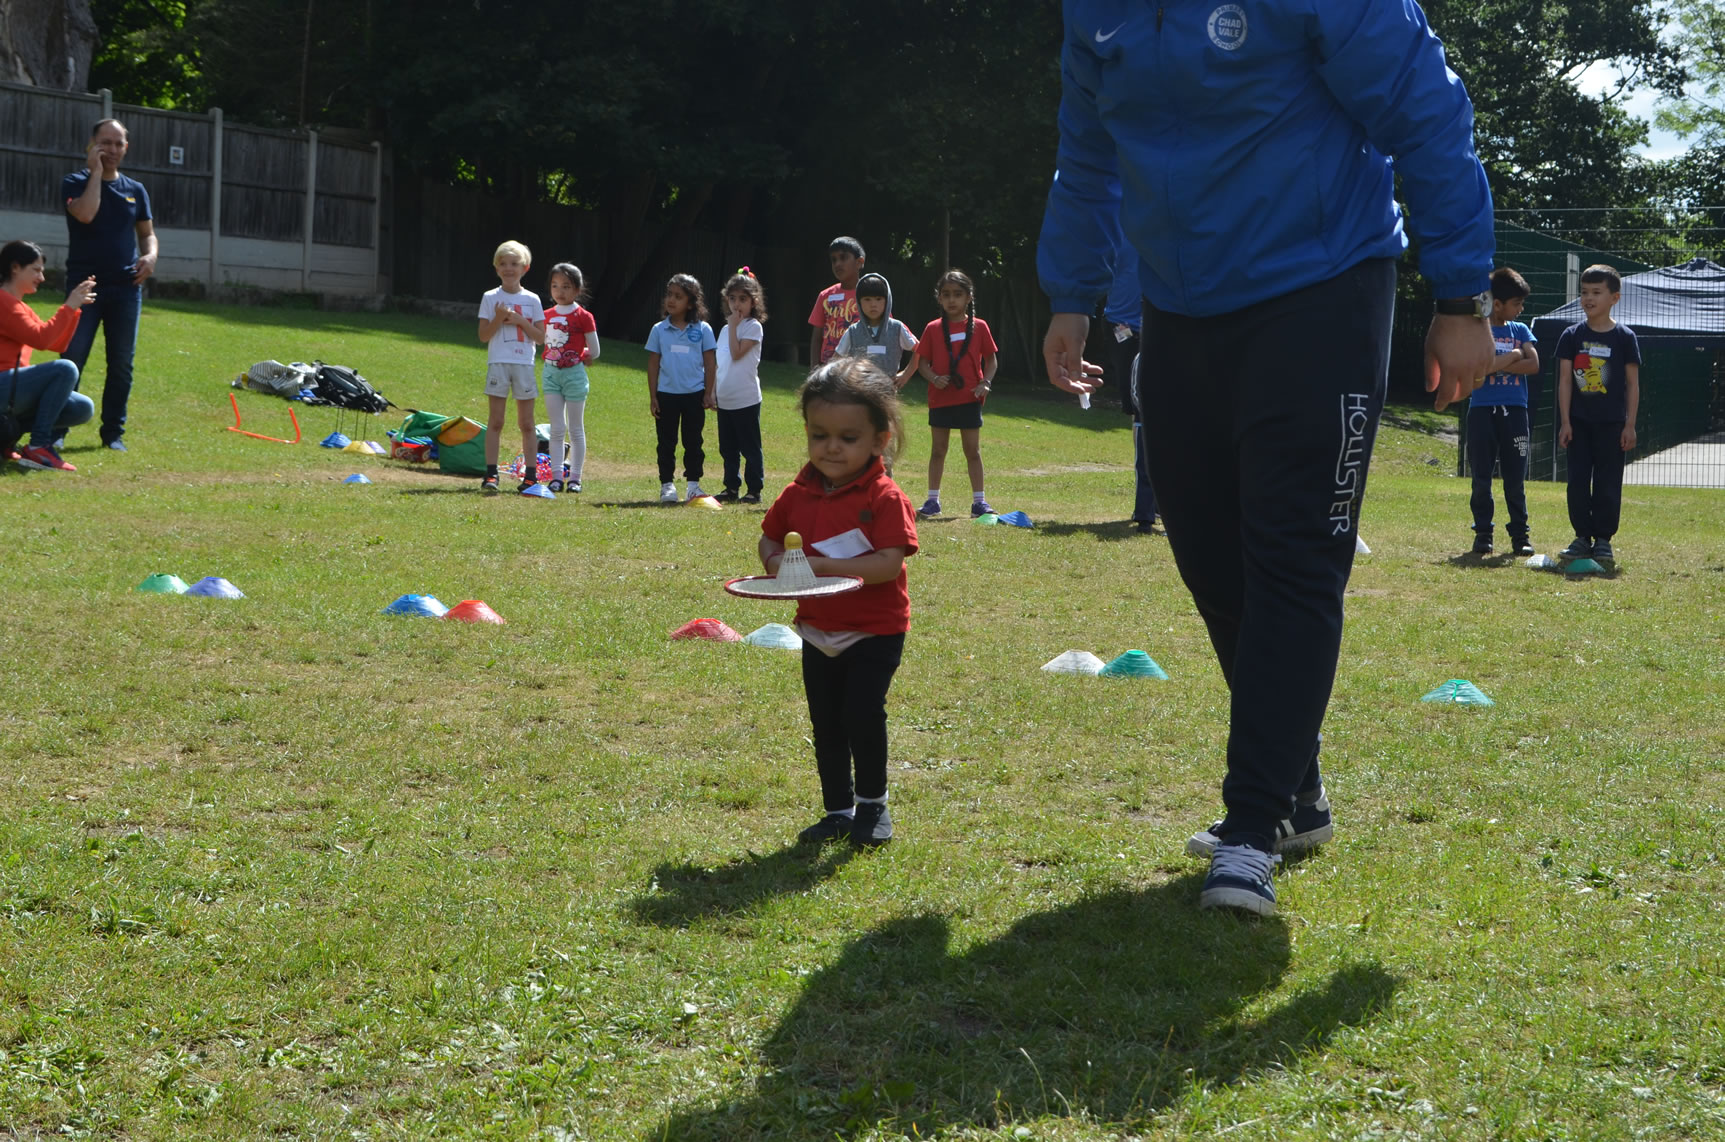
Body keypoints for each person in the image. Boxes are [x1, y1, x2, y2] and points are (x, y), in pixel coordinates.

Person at [1036, 0, 1496, 915]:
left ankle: (1250, 826)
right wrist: (1072, 289)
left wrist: (1461, 292)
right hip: (1179, 302)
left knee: (1293, 553)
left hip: (1319, 287)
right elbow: (1085, 150)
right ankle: (1297, 790)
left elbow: (1423, 108)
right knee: (1207, 553)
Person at [758, 356, 918, 847]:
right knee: (826, 722)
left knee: (862, 715)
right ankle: (838, 811)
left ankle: (873, 806)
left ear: (879, 439)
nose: (831, 448)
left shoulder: (885, 497)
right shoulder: (796, 493)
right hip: (816, 629)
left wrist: (822, 566)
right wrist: (774, 565)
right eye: (818, 434)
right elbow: (768, 540)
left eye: (847, 438)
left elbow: (888, 564)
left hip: (873, 630)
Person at [61, 118, 157, 452]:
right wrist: (96, 174)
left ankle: (113, 434)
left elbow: (147, 234)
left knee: (121, 364)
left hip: (127, 288)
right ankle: (57, 429)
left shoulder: (136, 190)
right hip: (84, 288)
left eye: (118, 144)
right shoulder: (74, 183)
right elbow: (86, 214)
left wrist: (151, 256)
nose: (112, 149)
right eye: (105, 143)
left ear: (126, 148)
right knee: (72, 360)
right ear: (92, 145)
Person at [1555, 265, 1641, 565]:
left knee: (1607, 482)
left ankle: (1603, 540)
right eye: (1584, 292)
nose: (1588, 298)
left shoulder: (1625, 337)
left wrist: (1629, 425)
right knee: (1577, 482)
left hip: (1612, 425)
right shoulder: (1571, 335)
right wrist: (1565, 421)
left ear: (1614, 297)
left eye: (1596, 292)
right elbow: (1565, 381)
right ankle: (1582, 537)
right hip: (1578, 424)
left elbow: (1633, 384)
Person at [908, 270, 999, 518]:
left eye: (958, 294)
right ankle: (932, 501)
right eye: (946, 294)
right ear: (939, 298)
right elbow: (922, 363)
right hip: (940, 399)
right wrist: (934, 378)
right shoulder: (933, 328)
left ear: (969, 297)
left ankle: (979, 502)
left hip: (969, 398)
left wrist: (986, 383)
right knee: (938, 450)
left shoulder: (980, 327)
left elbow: (991, 361)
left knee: (972, 451)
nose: (952, 300)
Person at [1, 240, 97, 470]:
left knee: (82, 407)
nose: (41, 278)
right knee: (65, 369)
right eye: (36, 270)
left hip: (9, 389)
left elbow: (56, 343)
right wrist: (68, 307)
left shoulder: (20, 306)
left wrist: (72, 311)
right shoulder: (3, 302)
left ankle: (5, 440)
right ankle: (38, 446)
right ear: (15, 267)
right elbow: (42, 339)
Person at [1467, 268, 1540, 557]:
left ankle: (1520, 535)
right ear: (1497, 304)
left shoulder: (1520, 330)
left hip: (1515, 410)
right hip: (1482, 411)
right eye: (1517, 304)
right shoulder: (1478, 329)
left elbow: (1533, 365)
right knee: (1481, 477)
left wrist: (1494, 364)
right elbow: (1477, 368)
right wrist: (1511, 356)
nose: (1521, 309)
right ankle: (1483, 533)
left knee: (1515, 478)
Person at [477, 239, 546, 494]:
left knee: (527, 423)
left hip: (524, 365)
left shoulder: (533, 299)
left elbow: (540, 338)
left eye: (514, 264)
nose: (509, 269)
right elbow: (484, 336)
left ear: (524, 268)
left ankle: (530, 476)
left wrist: (518, 320)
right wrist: (498, 318)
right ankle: (491, 474)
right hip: (498, 364)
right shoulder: (490, 297)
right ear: (496, 268)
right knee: (496, 421)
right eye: (503, 264)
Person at [645, 273, 718, 503]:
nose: (671, 300)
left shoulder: (703, 329)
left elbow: (709, 363)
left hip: (694, 395)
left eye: (678, 296)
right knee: (666, 442)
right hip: (666, 395)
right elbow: (653, 363)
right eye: (669, 295)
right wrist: (653, 396)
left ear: (691, 302)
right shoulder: (658, 330)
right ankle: (667, 485)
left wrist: (708, 392)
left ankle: (693, 486)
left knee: (693, 441)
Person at [1105, 250, 1156, 533]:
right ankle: (1147, 498)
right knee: (1137, 409)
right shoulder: (1116, 220)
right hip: (1122, 325)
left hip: (1162, 322)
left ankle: (1155, 502)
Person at [541, 262, 600, 494]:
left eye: (566, 286)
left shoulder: (583, 316)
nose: (560, 291)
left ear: (577, 289)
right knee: (556, 428)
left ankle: (575, 478)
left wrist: (582, 355)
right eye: (555, 285)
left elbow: (594, 351)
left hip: (574, 376)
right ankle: (556, 477)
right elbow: (539, 340)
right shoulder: (545, 315)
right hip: (550, 374)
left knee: (575, 429)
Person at [714, 269, 767, 504]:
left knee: (750, 448)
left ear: (753, 301)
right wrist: (713, 392)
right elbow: (721, 363)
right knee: (728, 448)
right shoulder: (725, 329)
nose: (737, 304)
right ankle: (731, 487)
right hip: (725, 397)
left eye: (743, 299)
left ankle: (754, 489)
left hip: (746, 398)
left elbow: (736, 354)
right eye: (733, 298)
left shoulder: (752, 327)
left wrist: (734, 326)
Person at [834, 272, 919, 386]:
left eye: (878, 299)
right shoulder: (853, 331)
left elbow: (920, 350)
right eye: (867, 299)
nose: (873, 304)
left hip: (888, 393)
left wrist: (906, 374)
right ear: (859, 302)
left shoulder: (897, 328)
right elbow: (835, 360)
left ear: (887, 300)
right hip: (858, 393)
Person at [807, 236, 864, 366]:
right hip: (828, 368)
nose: (838, 263)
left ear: (859, 262)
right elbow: (816, 338)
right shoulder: (825, 296)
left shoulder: (871, 294)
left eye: (843, 258)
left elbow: (885, 330)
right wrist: (814, 371)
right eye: (834, 260)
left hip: (858, 368)